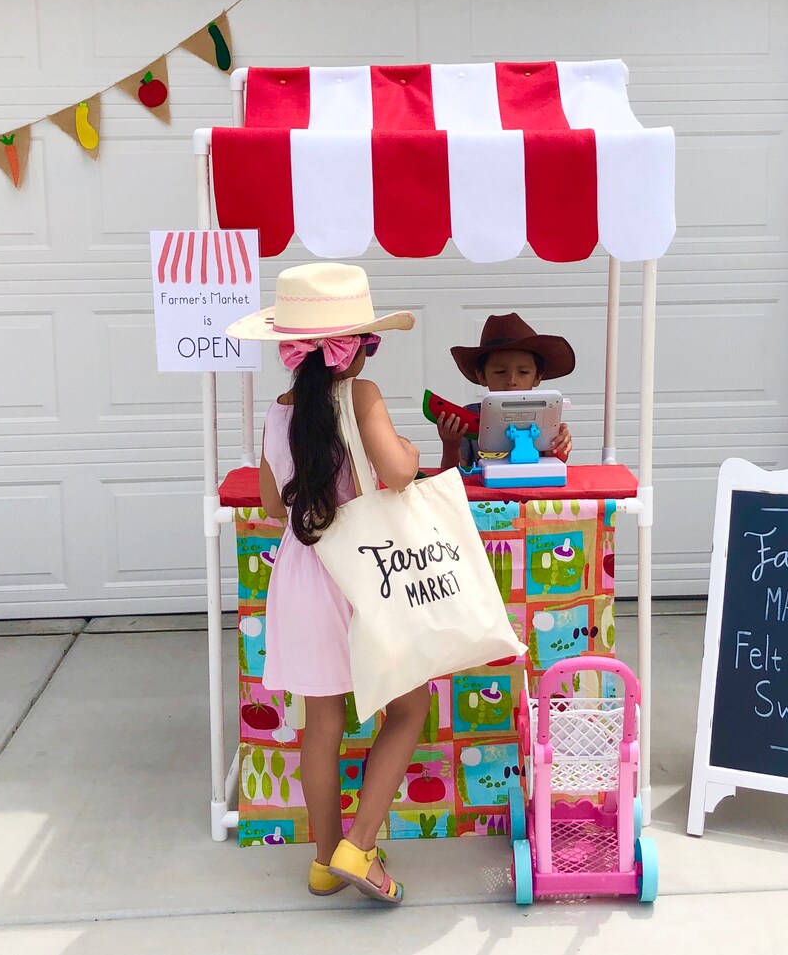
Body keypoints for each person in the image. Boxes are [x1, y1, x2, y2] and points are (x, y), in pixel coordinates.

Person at [226, 262, 429, 906]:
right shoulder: (361, 396)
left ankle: (322, 861)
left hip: (303, 573)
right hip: (365, 575)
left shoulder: (278, 412)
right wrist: (412, 451)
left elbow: (271, 502)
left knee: (322, 723)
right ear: (359, 347)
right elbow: (397, 472)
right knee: (409, 706)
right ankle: (359, 846)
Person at [437, 312, 575, 471]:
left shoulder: (547, 415)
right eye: (500, 372)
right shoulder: (468, 416)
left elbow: (554, 465)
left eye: (523, 372)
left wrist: (560, 446)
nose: (512, 380)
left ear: (537, 377)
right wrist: (451, 445)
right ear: (482, 376)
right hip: (484, 488)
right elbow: (452, 476)